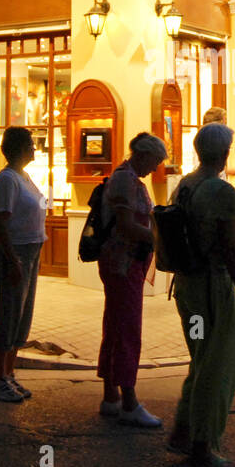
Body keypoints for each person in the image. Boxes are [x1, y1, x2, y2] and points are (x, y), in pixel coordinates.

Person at [167, 123, 235, 467]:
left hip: (186, 291)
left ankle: (183, 432)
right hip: (211, 291)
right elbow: (230, 251)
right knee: (216, 369)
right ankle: (203, 451)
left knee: (199, 360)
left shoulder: (185, 186)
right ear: (223, 154)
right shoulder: (219, 191)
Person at [97, 132, 169, 427]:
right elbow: (126, 225)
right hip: (124, 262)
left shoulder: (127, 178)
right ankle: (129, 400)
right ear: (142, 155)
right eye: (154, 162)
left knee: (115, 326)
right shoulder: (126, 180)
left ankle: (110, 395)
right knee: (128, 329)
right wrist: (157, 237)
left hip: (122, 263)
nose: (155, 169)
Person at [0, 126, 46, 403]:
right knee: (9, 313)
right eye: (31, 145)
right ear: (21, 148)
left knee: (22, 316)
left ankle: (10, 374)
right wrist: (12, 260)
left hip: (30, 252)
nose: (35, 149)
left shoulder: (24, 177)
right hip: (15, 254)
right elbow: (1, 221)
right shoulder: (8, 179)